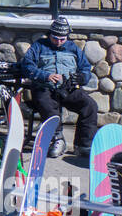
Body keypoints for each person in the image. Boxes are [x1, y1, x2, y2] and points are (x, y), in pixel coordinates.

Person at [19, 15, 97, 160]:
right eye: (55, 38)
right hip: (44, 88)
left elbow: (86, 69)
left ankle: (83, 145)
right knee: (48, 107)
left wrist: (79, 78)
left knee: (90, 105)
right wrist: (44, 76)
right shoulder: (39, 46)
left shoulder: (73, 48)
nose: (59, 42)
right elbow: (26, 66)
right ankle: (57, 140)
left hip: (67, 89)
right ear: (50, 35)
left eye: (63, 39)